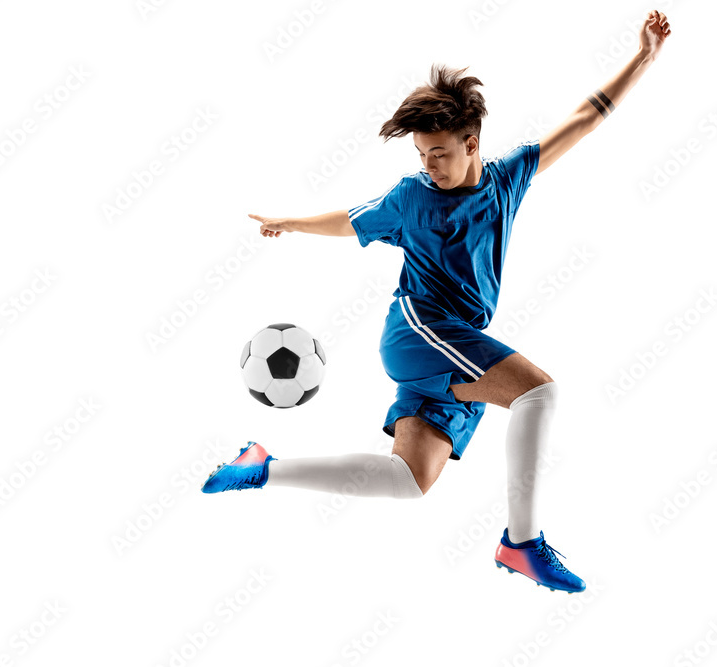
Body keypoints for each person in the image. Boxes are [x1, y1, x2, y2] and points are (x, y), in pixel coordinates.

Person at [203, 10, 672, 593]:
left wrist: (644, 58)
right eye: (421, 155)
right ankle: (521, 544)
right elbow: (350, 220)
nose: (428, 165)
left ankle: (260, 468)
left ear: (472, 143)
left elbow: (583, 120)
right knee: (539, 392)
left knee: (408, 479)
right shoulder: (411, 199)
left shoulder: (507, 179)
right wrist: (292, 223)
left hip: (447, 347)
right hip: (421, 331)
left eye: (439, 154)